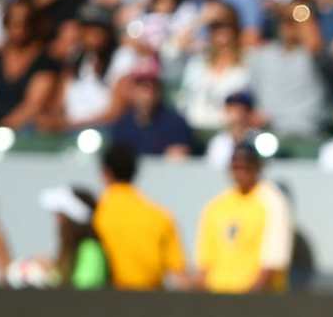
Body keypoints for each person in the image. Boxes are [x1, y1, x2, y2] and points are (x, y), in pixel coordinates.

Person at [194, 142, 293, 293]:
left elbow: (273, 262)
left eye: (246, 168)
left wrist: (247, 300)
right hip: (217, 295)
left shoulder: (273, 203)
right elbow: (205, 264)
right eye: (236, 168)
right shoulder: (216, 206)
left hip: (256, 299)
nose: (241, 174)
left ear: (258, 167)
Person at [93, 141, 189, 290]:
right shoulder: (160, 216)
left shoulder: (94, 215)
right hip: (150, 303)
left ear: (105, 173)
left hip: (103, 302)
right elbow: (178, 274)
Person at [0, 0, 59, 133]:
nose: (19, 29)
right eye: (13, 23)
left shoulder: (45, 62)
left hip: (23, 130)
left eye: (25, 23)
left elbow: (33, 107)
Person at [246, 0, 327, 140]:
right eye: (284, 20)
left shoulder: (313, 55)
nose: (288, 26)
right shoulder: (262, 55)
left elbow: (315, 45)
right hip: (268, 133)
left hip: (308, 132)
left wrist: (300, 14)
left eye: (294, 21)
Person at [179, 4, 251, 132]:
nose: (221, 33)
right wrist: (200, 20)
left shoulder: (246, 66)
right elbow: (173, 51)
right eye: (215, 28)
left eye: (227, 26)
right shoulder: (196, 64)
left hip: (227, 133)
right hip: (192, 131)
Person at [108, 60, 194, 157]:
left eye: (153, 85)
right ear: (132, 90)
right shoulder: (122, 125)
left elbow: (178, 160)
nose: (148, 92)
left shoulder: (176, 123)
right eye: (142, 85)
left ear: (159, 90)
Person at [40, 186, 111, 289]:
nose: (58, 223)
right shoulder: (76, 252)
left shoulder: (90, 250)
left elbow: (82, 295)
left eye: (61, 216)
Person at [206, 90, 261, 169]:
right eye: (231, 110)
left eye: (240, 110)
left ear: (249, 113)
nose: (235, 115)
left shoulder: (259, 140)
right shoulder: (218, 142)